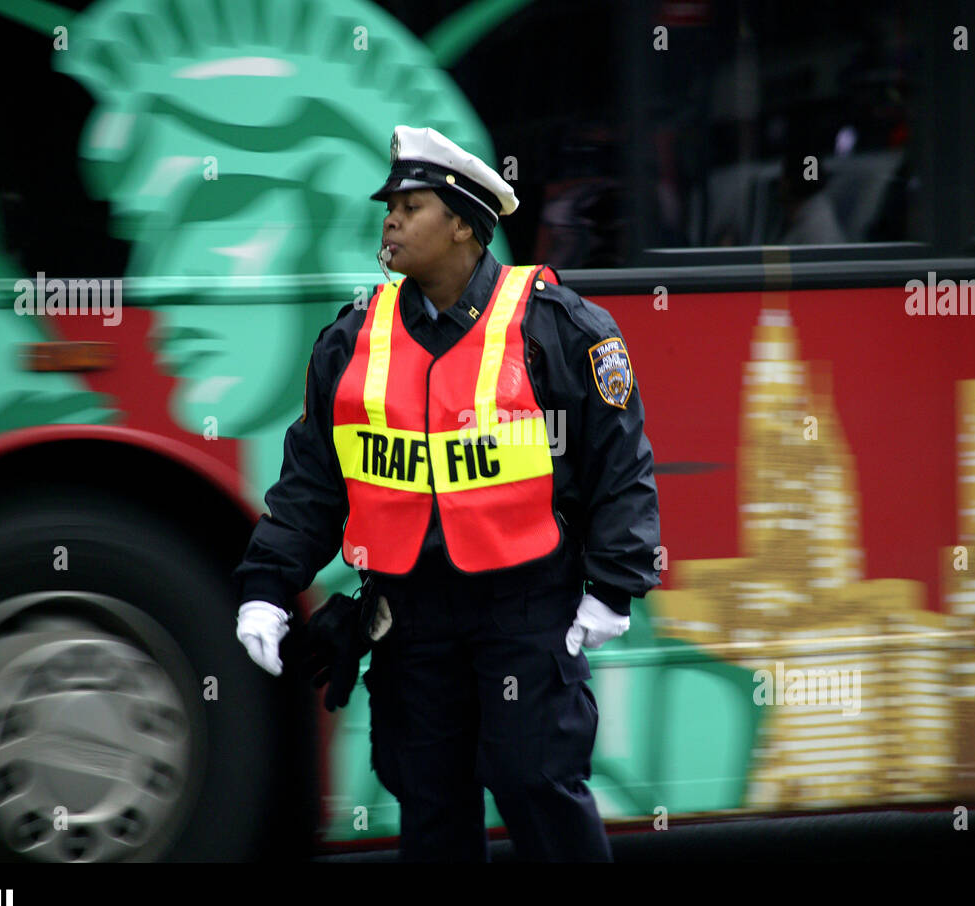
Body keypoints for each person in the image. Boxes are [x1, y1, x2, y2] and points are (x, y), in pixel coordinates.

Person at [233, 125, 660, 862]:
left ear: (464, 223)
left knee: (535, 781)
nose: (389, 219)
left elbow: (617, 463)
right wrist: (268, 587)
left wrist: (613, 586)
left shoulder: (557, 329)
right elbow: (313, 480)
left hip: (525, 609)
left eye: (411, 204)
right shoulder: (351, 341)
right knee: (429, 802)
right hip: (410, 616)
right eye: (388, 205)